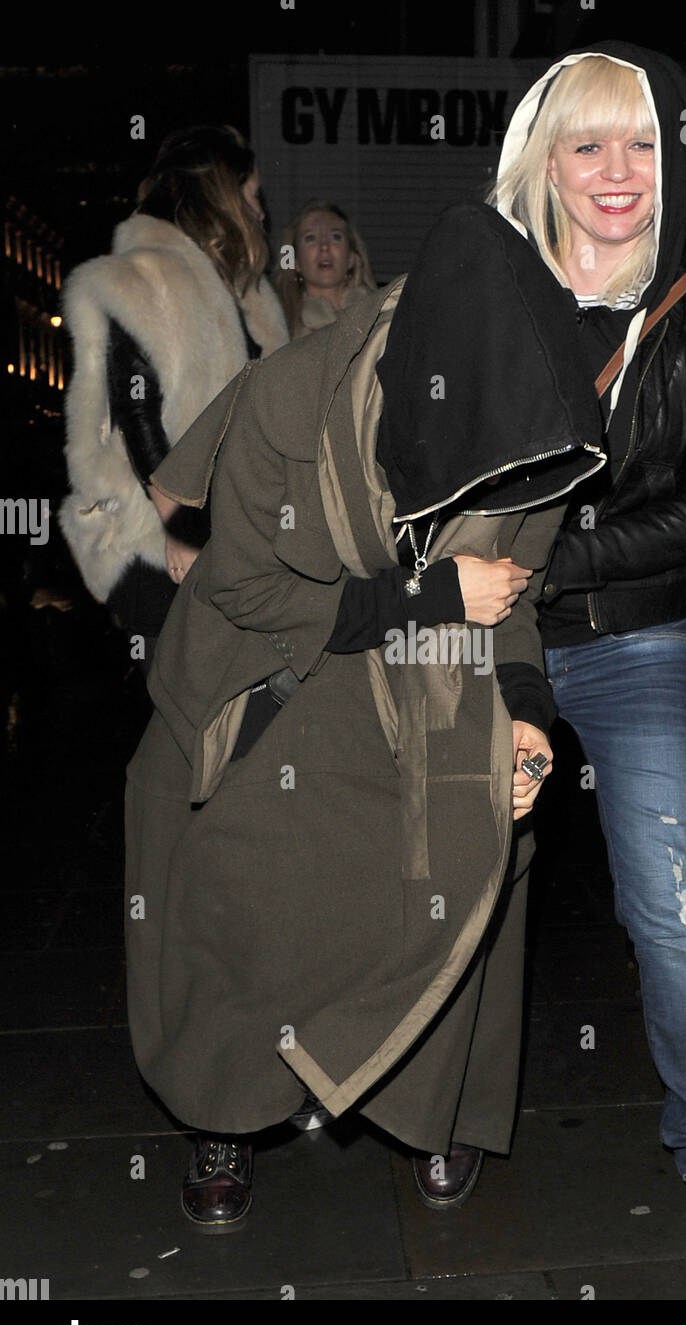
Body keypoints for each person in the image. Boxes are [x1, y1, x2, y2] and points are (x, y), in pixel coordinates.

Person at [123, 190, 609, 1227]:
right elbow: (242, 588)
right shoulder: (291, 395)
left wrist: (527, 716)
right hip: (269, 660)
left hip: (428, 668)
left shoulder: (528, 422)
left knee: (469, 859)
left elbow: (509, 608)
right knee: (243, 879)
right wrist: (430, 592)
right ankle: (222, 1111)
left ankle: (432, 1115)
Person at [492, 42, 686, 1244]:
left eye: (643, 142)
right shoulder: (491, 291)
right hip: (489, 633)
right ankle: (436, 1116)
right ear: (542, 162)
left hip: (637, 642)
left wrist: (566, 561)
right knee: (454, 885)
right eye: (588, 143)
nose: (617, 171)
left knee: (669, 900)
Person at [59, 125, 288, 668]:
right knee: (194, 733)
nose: (260, 214)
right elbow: (137, 411)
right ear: (223, 194)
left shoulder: (240, 296)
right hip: (164, 550)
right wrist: (181, 530)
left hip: (226, 544)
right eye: (253, 196)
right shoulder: (147, 277)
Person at [275, 199, 376, 339]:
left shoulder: (380, 317)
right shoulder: (280, 328)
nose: (324, 246)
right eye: (310, 238)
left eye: (335, 236)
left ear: (352, 257)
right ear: (295, 261)